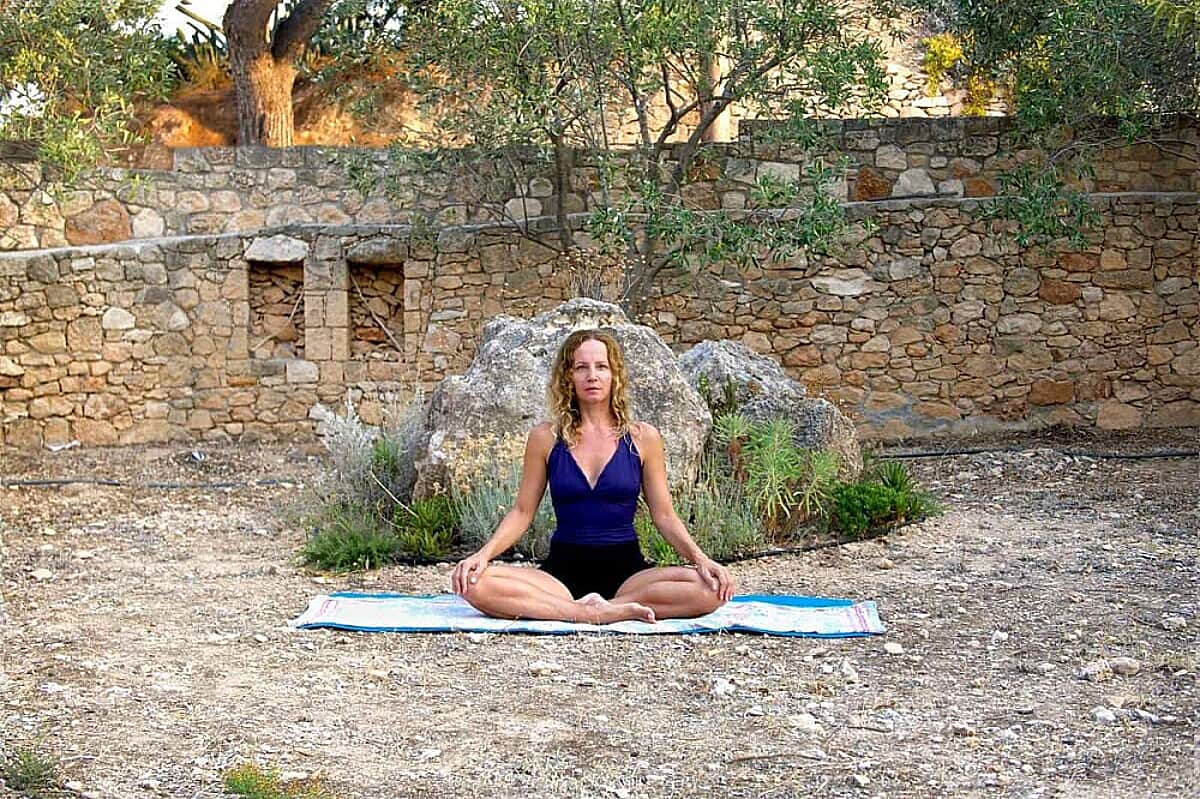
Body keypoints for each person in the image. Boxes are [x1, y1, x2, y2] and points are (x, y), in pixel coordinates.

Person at [451, 328, 735, 624]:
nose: (592, 376)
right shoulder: (545, 438)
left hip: (629, 576)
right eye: (581, 367)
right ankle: (587, 612)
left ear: (615, 376)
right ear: (568, 377)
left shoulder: (643, 438)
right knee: (473, 581)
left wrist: (702, 560)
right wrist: (482, 556)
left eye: (602, 367)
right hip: (560, 576)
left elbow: (664, 516)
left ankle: (609, 605)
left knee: (710, 590)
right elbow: (522, 512)